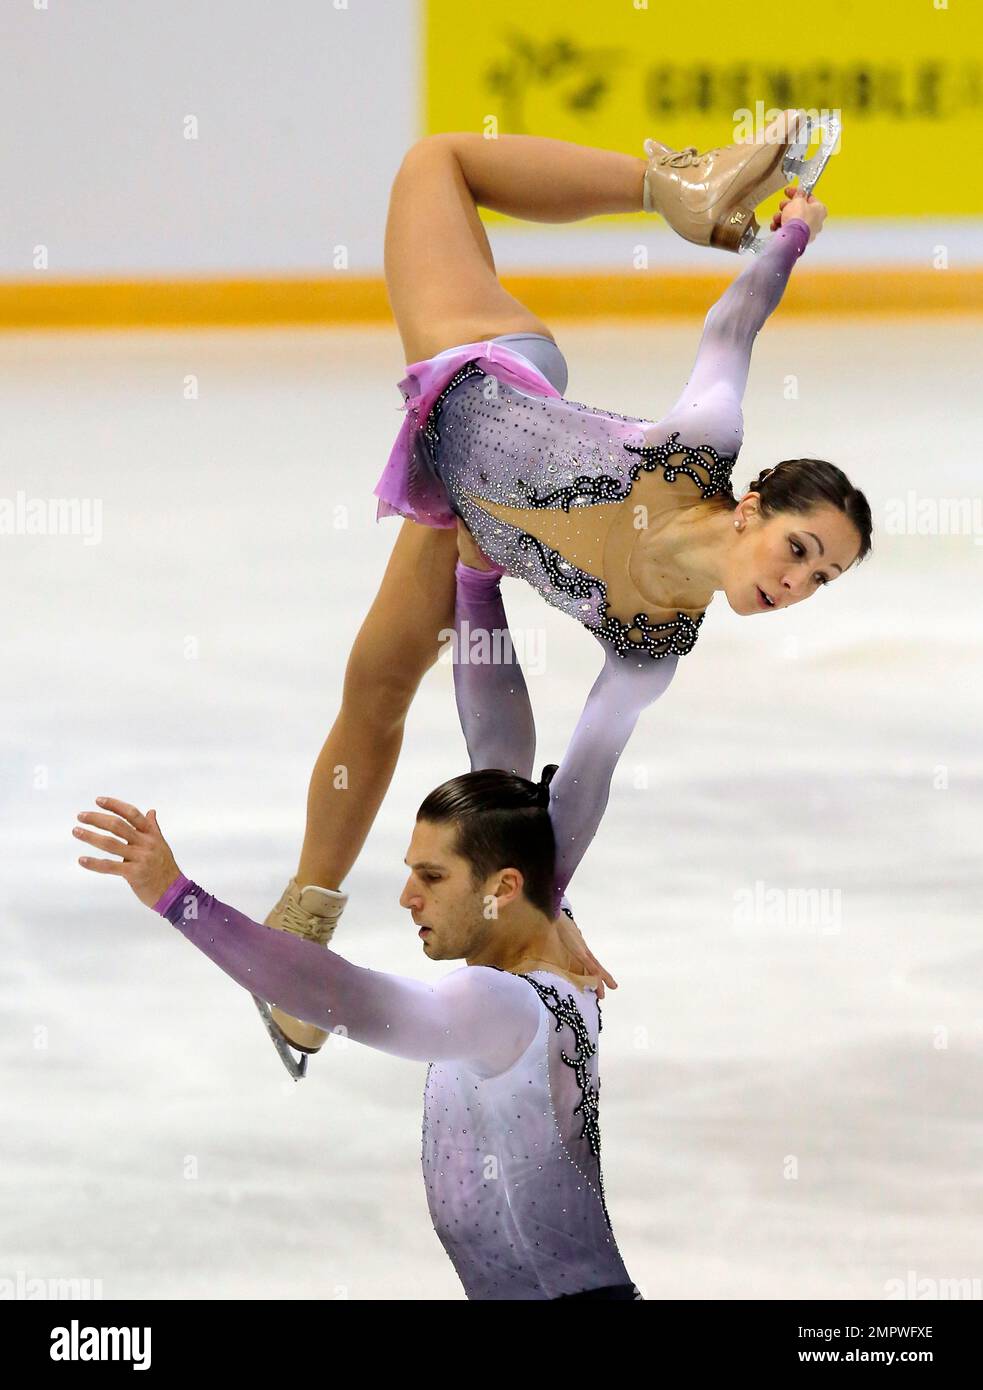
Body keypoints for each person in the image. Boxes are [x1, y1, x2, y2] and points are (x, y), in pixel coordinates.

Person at [255, 113, 873, 1063]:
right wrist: (784, 240)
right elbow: (734, 324)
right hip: (481, 366)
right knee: (439, 160)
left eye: (819, 579)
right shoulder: (693, 447)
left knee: (376, 686)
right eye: (799, 549)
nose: (795, 583)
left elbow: (538, 778)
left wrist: (543, 909)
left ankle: (300, 929)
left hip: (466, 519)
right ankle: (670, 186)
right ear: (750, 507)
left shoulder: (650, 651)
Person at [72, 785, 641, 1301]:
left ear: (504, 887)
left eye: (433, 877)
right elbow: (533, 747)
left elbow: (342, 997)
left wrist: (178, 898)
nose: (407, 897)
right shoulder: (563, 958)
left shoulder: (497, 1004)